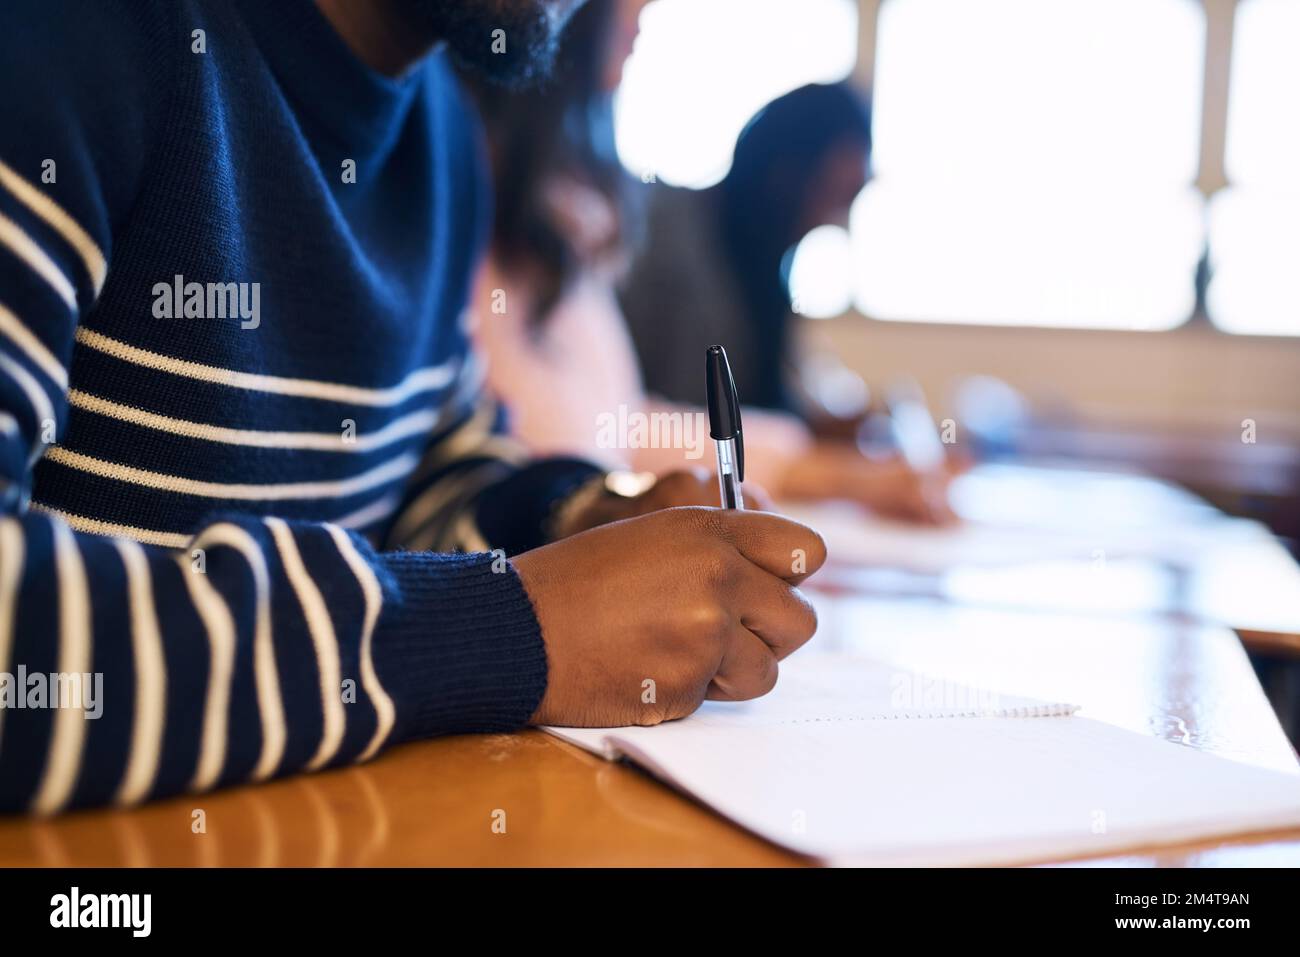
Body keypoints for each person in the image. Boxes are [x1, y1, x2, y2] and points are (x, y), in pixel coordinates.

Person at [0, 0, 824, 815]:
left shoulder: (443, 136)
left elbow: (434, 472)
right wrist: (515, 631)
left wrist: (583, 517)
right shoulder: (59, 39)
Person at [469, 0, 953, 521]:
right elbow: (565, 439)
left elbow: (619, 423)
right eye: (838, 193)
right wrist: (828, 471)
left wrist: (820, 454)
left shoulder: (566, 209)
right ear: (789, 173)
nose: (837, 219)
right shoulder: (656, 245)